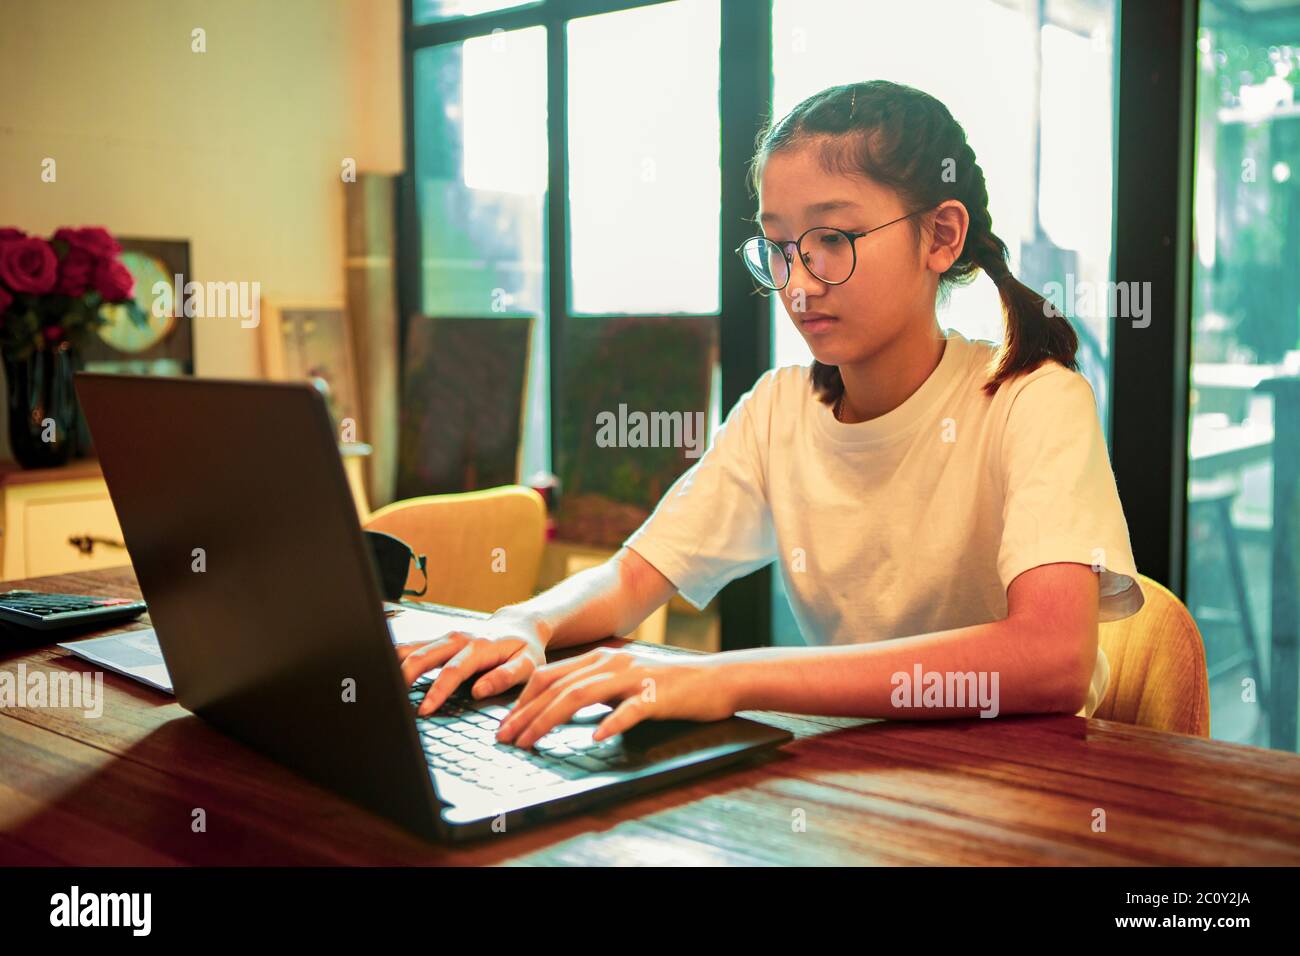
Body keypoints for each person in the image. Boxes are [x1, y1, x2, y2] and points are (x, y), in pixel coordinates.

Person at [396, 79, 1145, 750]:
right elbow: (633, 577)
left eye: (832, 240)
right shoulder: (780, 410)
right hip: (863, 775)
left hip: (1023, 783)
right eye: (780, 248)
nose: (799, 286)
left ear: (941, 236)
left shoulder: (1032, 399)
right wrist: (524, 621)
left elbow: (1051, 658)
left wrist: (733, 676)